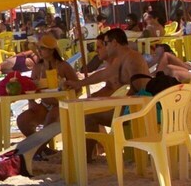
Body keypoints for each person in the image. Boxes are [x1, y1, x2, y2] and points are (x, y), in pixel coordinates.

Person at [63, 29, 147, 158]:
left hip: (139, 109)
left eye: (106, 43)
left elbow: (139, 88)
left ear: (114, 43)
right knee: (89, 112)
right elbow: (103, 74)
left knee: (90, 116)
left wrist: (117, 101)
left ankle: (86, 157)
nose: (105, 47)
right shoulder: (123, 58)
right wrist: (79, 84)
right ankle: (87, 155)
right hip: (131, 106)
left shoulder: (132, 59)